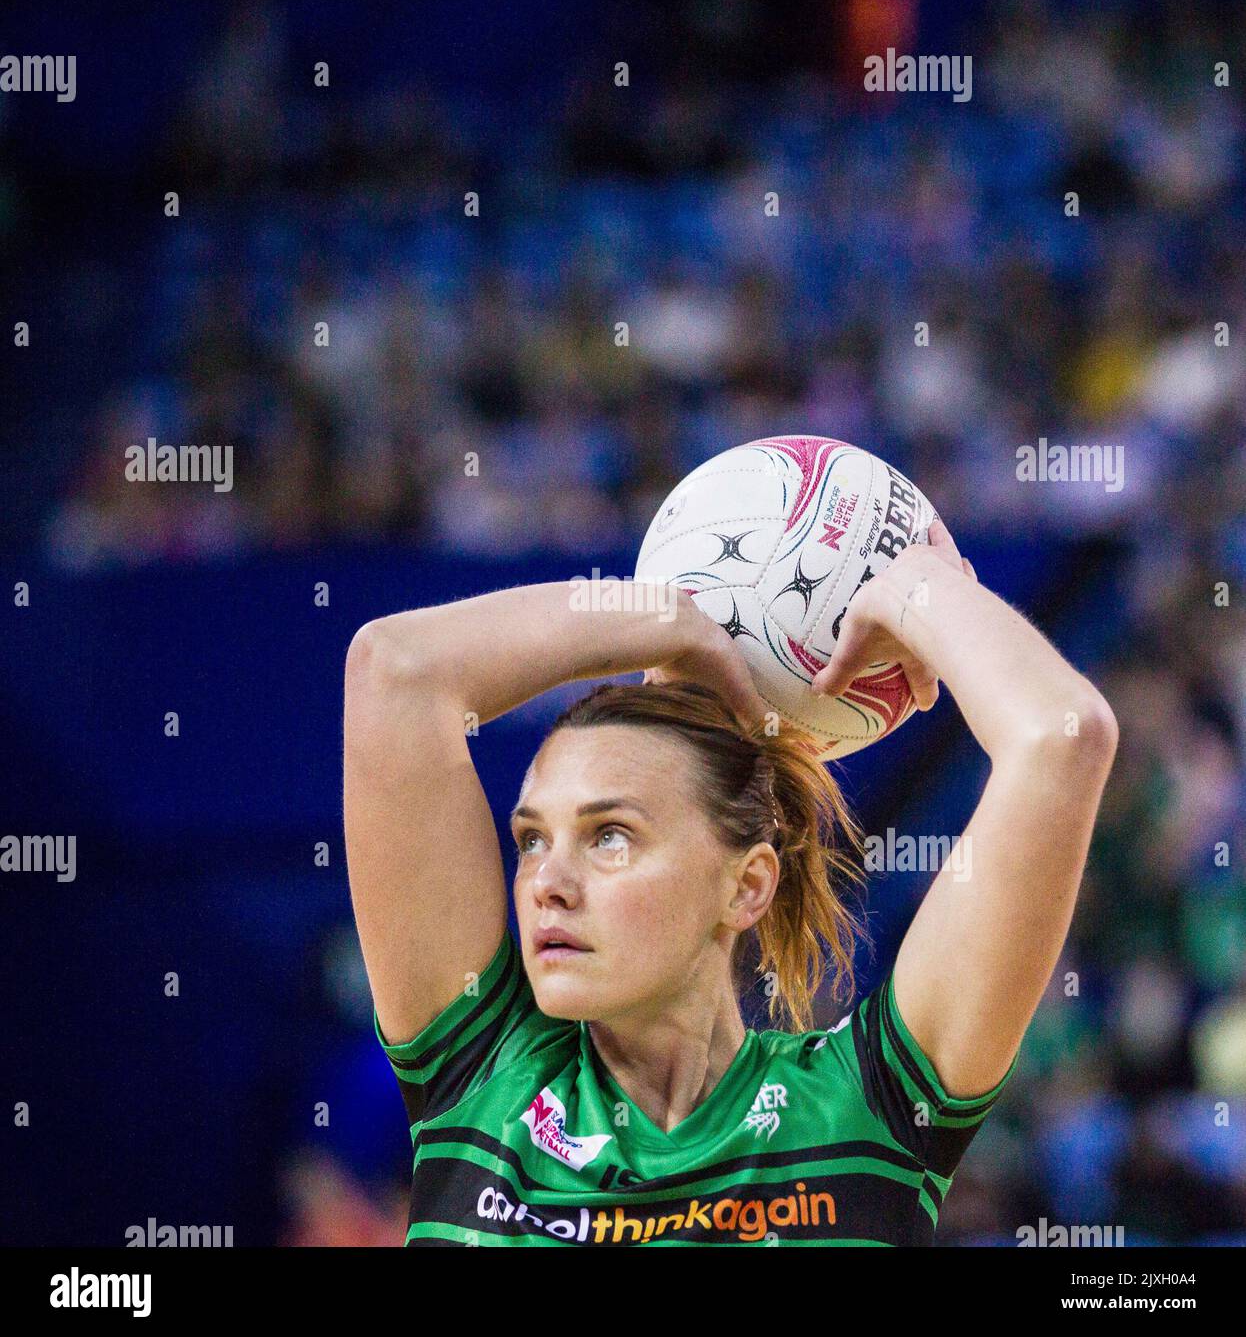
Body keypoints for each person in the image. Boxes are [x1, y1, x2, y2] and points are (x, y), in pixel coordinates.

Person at [343, 520, 1117, 1246]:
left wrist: (916, 584)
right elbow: (395, 672)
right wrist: (671, 617)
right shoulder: (483, 1077)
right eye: (532, 839)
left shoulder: (867, 1110)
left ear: (746, 886)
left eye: (610, 835)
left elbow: (1063, 738)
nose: (548, 880)